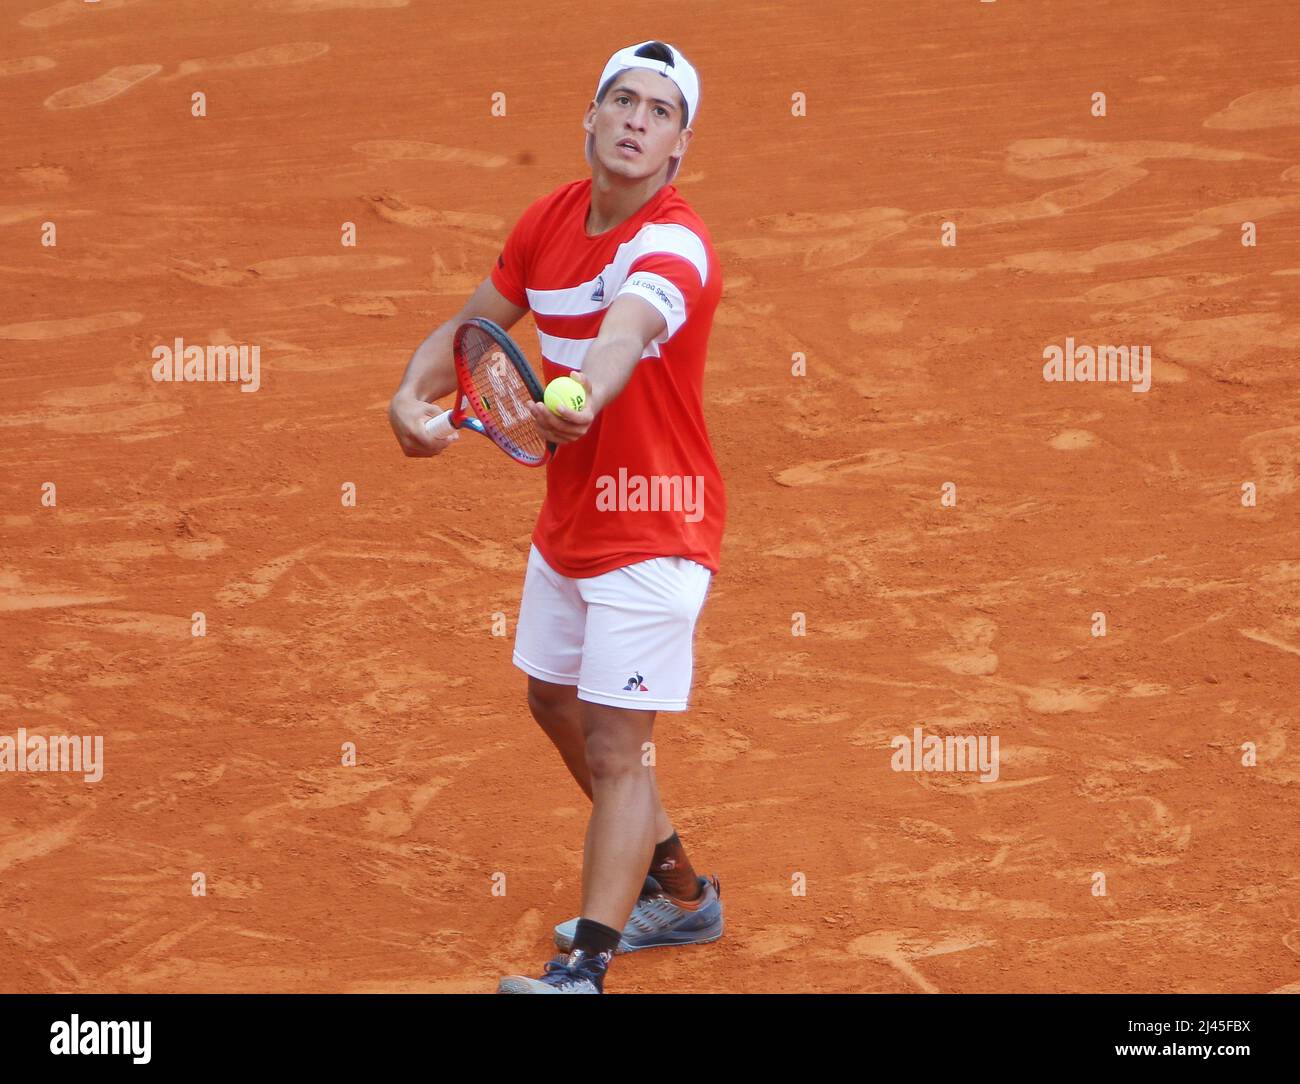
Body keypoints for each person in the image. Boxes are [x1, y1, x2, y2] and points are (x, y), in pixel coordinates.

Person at [388, 39, 726, 994]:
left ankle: (585, 967)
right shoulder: (545, 222)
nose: (635, 121)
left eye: (659, 113)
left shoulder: (675, 243)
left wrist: (580, 395)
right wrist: (408, 402)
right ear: (589, 119)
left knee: (621, 748)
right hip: (573, 520)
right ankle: (681, 892)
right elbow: (468, 333)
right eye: (622, 101)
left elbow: (625, 332)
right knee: (551, 699)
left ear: (677, 149)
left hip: (659, 523)